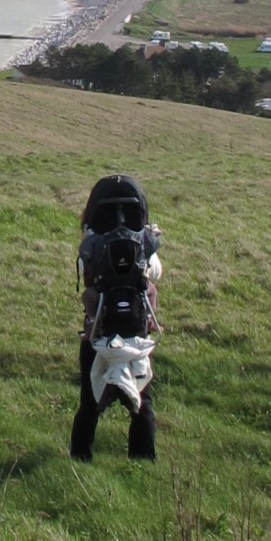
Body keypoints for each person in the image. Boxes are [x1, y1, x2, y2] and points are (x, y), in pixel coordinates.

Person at [71, 173, 161, 463]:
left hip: (98, 336)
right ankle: (142, 463)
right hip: (137, 338)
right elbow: (156, 272)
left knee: (89, 405)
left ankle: (80, 460)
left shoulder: (92, 248)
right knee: (142, 406)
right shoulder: (144, 247)